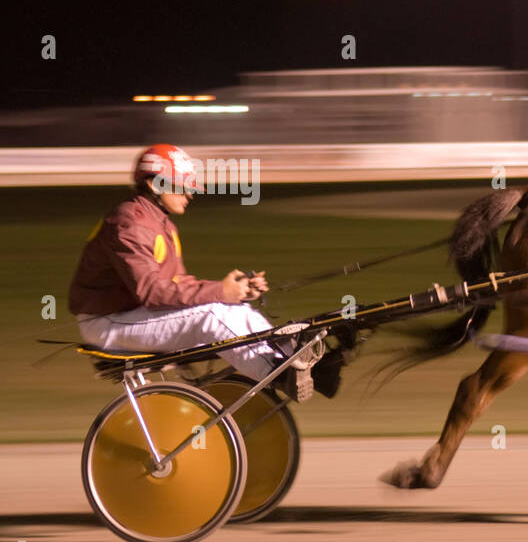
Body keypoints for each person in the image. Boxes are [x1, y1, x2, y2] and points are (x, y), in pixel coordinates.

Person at [69, 143, 340, 401]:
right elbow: (153, 292)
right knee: (212, 316)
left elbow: (178, 285)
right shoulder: (130, 222)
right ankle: (279, 374)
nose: (190, 195)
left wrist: (236, 291)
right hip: (108, 323)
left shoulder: (160, 223)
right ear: (154, 184)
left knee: (235, 310)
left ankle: (299, 363)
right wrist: (221, 291)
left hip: (133, 316)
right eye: (182, 188)